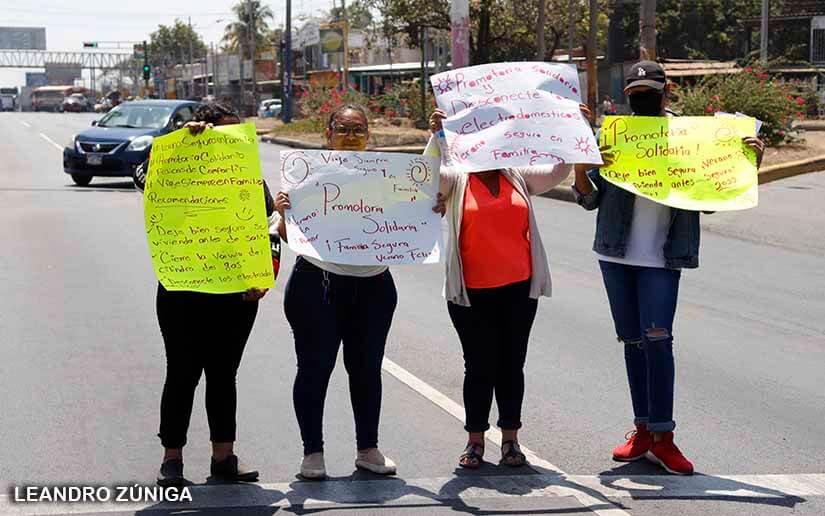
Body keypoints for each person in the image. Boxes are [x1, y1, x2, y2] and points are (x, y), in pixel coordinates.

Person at [572, 61, 765, 475]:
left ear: (666, 93)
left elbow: (712, 199)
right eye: (635, 93)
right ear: (627, 97)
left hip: (662, 259)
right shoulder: (615, 136)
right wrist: (581, 164)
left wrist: (747, 165)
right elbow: (588, 199)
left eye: (649, 92)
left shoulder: (693, 139)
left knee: (658, 339)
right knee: (632, 343)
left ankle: (665, 437)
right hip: (616, 256)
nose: (641, 99)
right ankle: (642, 431)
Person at [427, 102, 599, 469]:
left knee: (511, 365)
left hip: (518, 291)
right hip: (469, 293)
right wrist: (438, 136)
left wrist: (575, 125)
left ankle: (510, 441)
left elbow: (559, 169)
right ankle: (475, 441)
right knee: (478, 366)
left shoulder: (517, 175)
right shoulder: (457, 177)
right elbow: (427, 178)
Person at [155, 102, 280, 486]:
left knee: (224, 375)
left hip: (236, 296)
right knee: (182, 374)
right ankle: (172, 459)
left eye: (236, 133)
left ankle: (223, 457)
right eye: (222, 133)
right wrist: (179, 142)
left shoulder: (248, 179)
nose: (231, 141)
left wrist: (263, 278)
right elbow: (143, 176)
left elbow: (269, 226)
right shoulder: (174, 167)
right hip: (183, 291)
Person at [273, 104, 399, 480]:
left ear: (369, 135)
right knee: (314, 368)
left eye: (358, 129)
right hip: (318, 285)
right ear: (328, 134)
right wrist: (283, 214)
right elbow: (286, 234)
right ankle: (312, 452)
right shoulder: (304, 173)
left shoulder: (388, 176)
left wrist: (429, 206)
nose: (350, 136)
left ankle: (368, 449)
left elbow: (412, 215)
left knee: (367, 370)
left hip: (374, 286)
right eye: (342, 129)